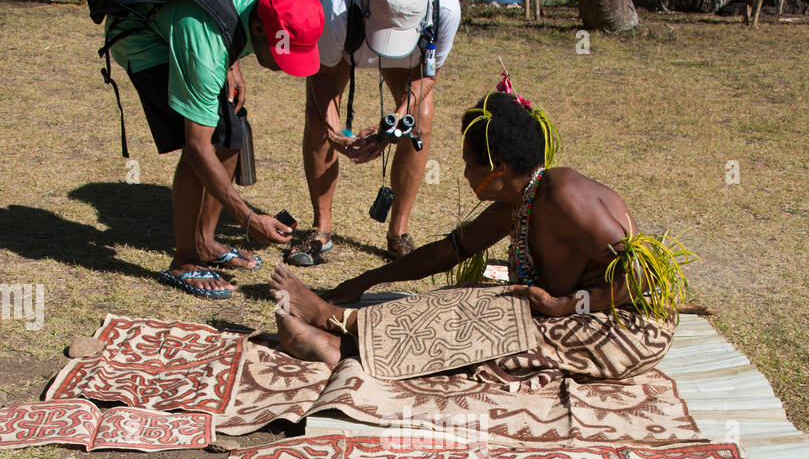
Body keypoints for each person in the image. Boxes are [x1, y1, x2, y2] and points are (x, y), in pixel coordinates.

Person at [267, 86, 693, 376]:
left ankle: (334, 337)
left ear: (499, 168)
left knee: (484, 330)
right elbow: (451, 250)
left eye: (471, 162)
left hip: (617, 325)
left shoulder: (566, 198)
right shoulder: (521, 200)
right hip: (563, 309)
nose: (465, 172)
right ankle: (342, 326)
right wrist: (364, 280)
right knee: (457, 302)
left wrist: (564, 305)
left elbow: (641, 279)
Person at [108, 0, 325, 299]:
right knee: (204, 141)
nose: (284, 68)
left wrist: (231, 60)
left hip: (196, 28)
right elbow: (197, 148)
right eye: (283, 55)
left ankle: (205, 242)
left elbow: (226, 9)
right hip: (142, 36)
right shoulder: (206, 49)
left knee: (229, 129)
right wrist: (247, 217)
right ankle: (184, 260)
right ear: (256, 30)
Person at [296, 0, 461, 266]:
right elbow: (323, 73)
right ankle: (321, 228)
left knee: (419, 122)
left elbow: (428, 73)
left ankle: (399, 232)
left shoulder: (446, 8)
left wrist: (396, 121)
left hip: (412, 57)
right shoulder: (336, 8)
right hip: (347, 46)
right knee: (318, 119)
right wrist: (333, 131)